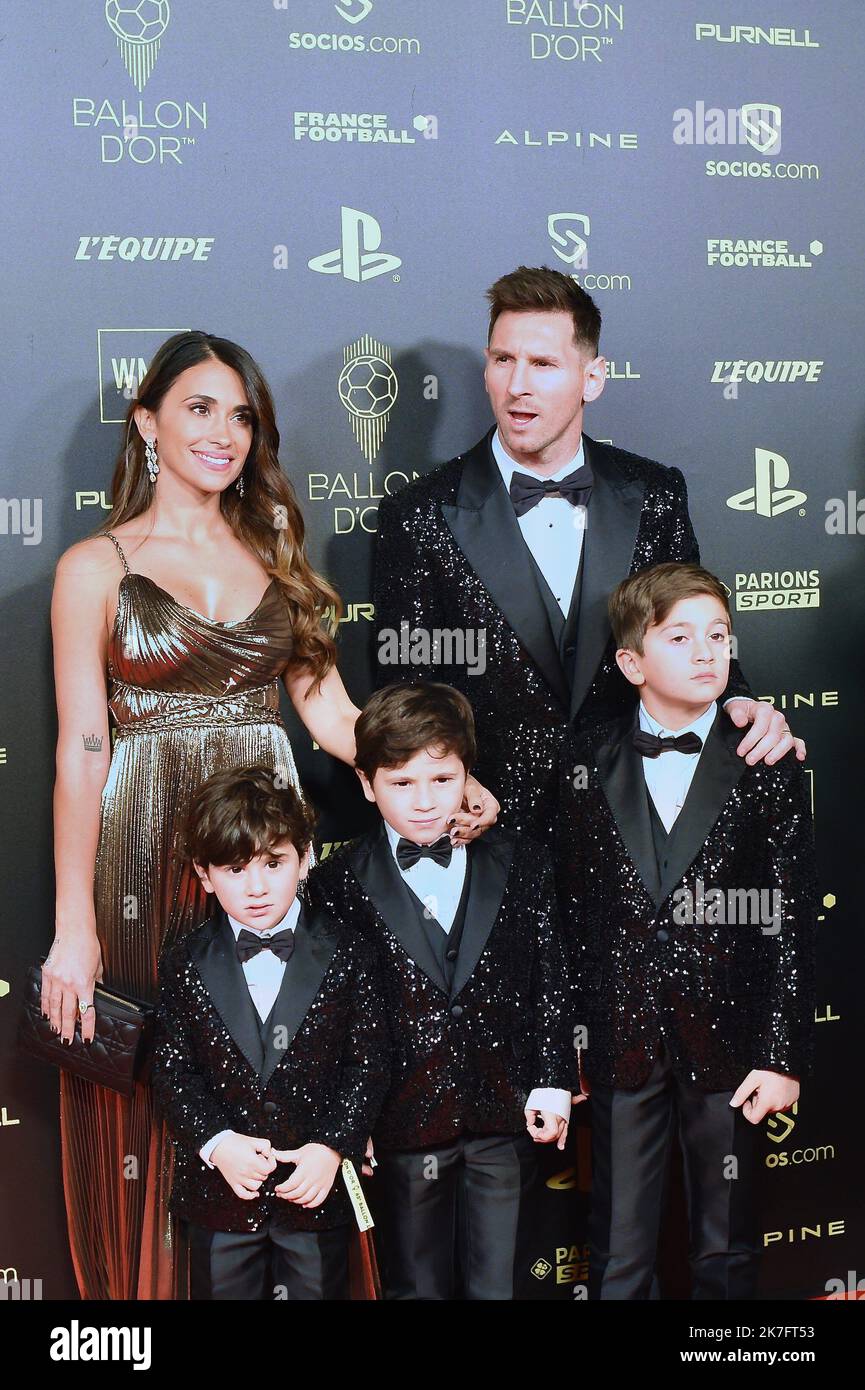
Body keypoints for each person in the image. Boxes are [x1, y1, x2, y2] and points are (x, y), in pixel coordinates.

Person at [46, 330, 497, 1300]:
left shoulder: (276, 552)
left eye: (241, 414)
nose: (223, 432)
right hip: (142, 845)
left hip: (262, 829)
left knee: (275, 1051)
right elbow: (82, 748)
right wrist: (73, 926)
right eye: (199, 408)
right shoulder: (96, 564)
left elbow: (332, 715)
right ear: (146, 422)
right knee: (168, 1065)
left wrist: (434, 777)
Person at [373, 265, 804, 848]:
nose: (517, 384)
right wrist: (454, 782)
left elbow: (689, 628)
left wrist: (745, 705)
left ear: (592, 377)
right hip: (494, 838)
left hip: (637, 829)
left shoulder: (654, 493)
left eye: (544, 364)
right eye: (504, 360)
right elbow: (404, 687)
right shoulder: (419, 513)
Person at [556, 562, 817, 1299]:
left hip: (731, 1045)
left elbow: (790, 921)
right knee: (617, 1248)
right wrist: (566, 1042)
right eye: (680, 637)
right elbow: (567, 914)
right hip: (617, 1040)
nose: (707, 653)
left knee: (725, 1246)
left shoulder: (766, 762)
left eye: (719, 635)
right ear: (631, 662)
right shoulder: (583, 761)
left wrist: (780, 1055)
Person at [308, 681, 577, 1300]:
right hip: (400, 1124)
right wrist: (351, 1122)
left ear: (468, 779)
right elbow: (330, 1015)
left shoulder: (522, 861)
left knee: (503, 1284)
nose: (425, 802)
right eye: (402, 784)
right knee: (415, 1286)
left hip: (505, 1114)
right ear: (367, 785)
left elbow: (549, 978)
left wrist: (554, 1080)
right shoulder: (335, 884)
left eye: (442, 780)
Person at [151, 766, 389, 1300]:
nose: (256, 888)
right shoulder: (183, 961)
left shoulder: (350, 950)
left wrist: (331, 1147)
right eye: (235, 869)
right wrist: (218, 1144)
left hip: (313, 1195)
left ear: (305, 858)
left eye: (273, 863)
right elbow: (172, 1069)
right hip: (221, 1195)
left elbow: (369, 1062)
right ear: (205, 874)